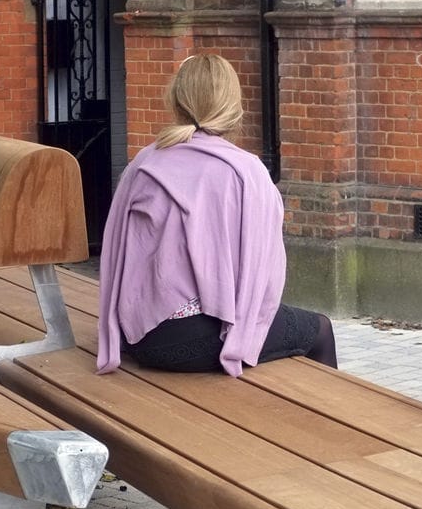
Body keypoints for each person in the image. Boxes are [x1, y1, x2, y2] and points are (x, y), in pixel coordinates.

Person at [97, 53, 336, 377]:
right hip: (194, 339)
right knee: (319, 330)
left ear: (177, 101)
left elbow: (116, 251)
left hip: (135, 334)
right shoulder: (244, 171)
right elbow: (262, 279)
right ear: (233, 107)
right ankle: (328, 427)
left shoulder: (145, 162)